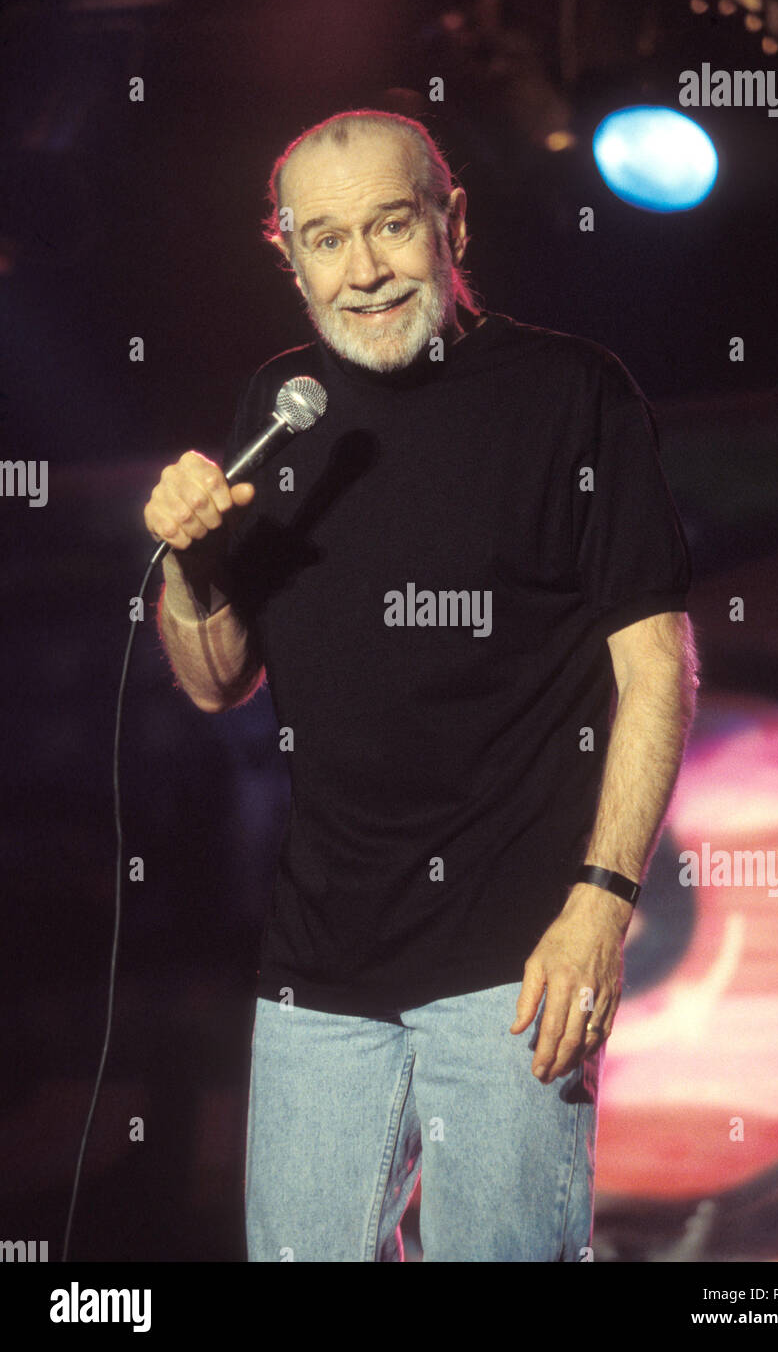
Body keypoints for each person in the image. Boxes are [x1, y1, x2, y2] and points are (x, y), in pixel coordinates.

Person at [144, 109, 699, 1262]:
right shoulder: (278, 412)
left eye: (392, 226)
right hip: (320, 967)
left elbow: (658, 668)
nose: (364, 271)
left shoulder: (572, 395)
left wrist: (601, 904)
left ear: (452, 222)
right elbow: (213, 681)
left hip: (515, 963)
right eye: (327, 239)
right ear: (287, 254)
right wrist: (193, 565)